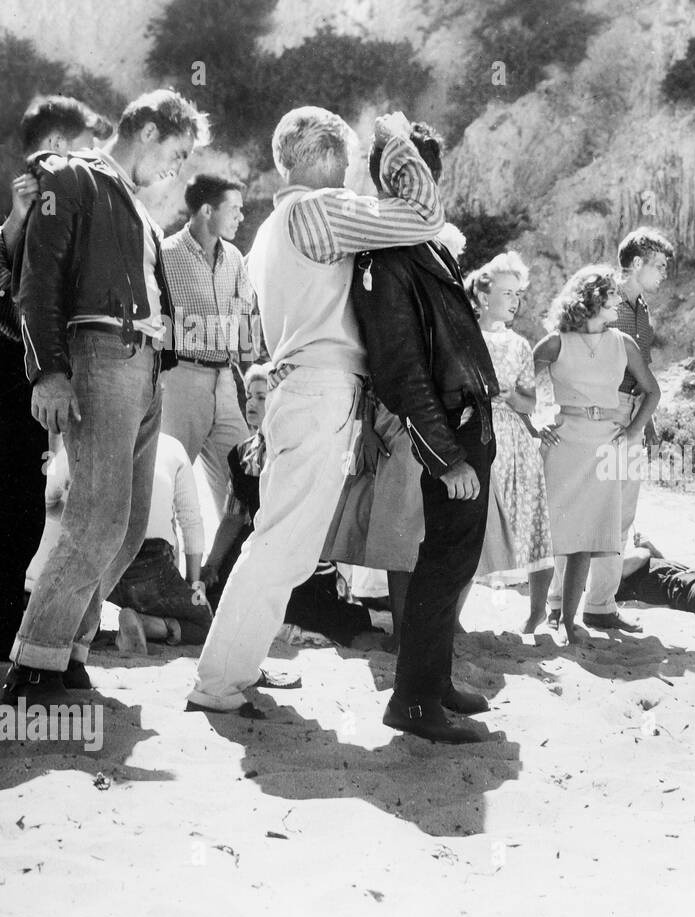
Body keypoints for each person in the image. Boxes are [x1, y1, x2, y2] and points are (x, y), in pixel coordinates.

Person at [185, 107, 445, 715]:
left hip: (300, 389)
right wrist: (397, 139)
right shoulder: (317, 209)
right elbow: (425, 216)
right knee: (280, 546)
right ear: (324, 156)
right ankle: (218, 682)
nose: (356, 173)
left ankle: (232, 669)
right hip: (320, 389)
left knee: (286, 546)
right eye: (352, 159)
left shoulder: (275, 227)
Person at [3, 89, 207, 707]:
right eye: (175, 152)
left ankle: (69, 651)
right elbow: (37, 279)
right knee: (95, 516)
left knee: (123, 529)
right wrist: (48, 372)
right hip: (99, 354)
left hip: (142, 365)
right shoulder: (70, 174)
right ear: (146, 130)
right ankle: (34, 663)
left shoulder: (130, 202)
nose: (177, 169)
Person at [349, 121, 502, 742]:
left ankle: (432, 683)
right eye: (411, 175)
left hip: (472, 423)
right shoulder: (387, 257)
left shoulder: (426, 247)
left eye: (427, 176)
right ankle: (412, 702)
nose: (423, 189)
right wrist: (445, 458)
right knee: (440, 565)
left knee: (456, 560)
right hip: (451, 433)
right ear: (391, 180)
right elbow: (402, 371)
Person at [1, 96, 110, 658]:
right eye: (84, 141)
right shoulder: (24, 213)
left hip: (47, 378)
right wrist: (18, 221)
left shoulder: (80, 204)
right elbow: (10, 294)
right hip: (15, 375)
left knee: (31, 505)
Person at [547, 228, 674, 633]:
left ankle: (601, 604)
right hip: (601, 412)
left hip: (632, 413)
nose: (664, 274)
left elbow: (645, 372)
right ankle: (557, 602)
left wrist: (643, 422)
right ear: (636, 263)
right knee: (579, 510)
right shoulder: (603, 302)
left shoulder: (642, 310)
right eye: (659, 265)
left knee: (620, 515)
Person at [204, 365, 380, 649]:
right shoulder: (240, 454)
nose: (252, 403)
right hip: (254, 548)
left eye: (262, 397)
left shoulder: (305, 448)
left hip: (299, 552)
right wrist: (211, 564)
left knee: (322, 608)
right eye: (250, 396)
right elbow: (233, 517)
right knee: (220, 592)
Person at [466, 251, 555, 632]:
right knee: (474, 526)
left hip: (514, 441)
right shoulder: (465, 336)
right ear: (484, 297)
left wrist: (511, 397)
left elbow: (530, 399)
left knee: (532, 519)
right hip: (476, 434)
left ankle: (538, 610)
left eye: (518, 294)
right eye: (507, 293)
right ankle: (452, 617)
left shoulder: (520, 344)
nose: (515, 302)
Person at [160, 173, 255, 505]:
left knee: (247, 482)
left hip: (225, 382)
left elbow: (243, 327)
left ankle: (226, 559)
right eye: (234, 209)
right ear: (206, 211)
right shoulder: (165, 256)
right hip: (179, 382)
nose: (240, 217)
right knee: (168, 487)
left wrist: (252, 376)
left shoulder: (235, 259)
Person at [107, 433, 212, 652]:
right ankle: (150, 625)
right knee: (204, 619)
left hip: (104, 566)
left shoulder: (101, 435)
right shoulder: (171, 446)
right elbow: (190, 520)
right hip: (151, 568)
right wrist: (194, 585)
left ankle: (87, 627)